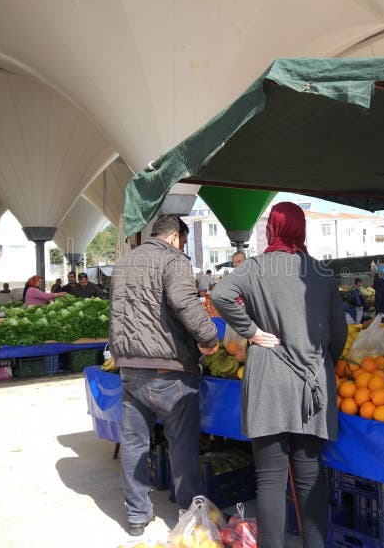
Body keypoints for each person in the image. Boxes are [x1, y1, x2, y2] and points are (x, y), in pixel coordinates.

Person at [212, 202, 347, 548]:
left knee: (269, 480)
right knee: (310, 477)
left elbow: (220, 294)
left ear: (271, 229)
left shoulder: (254, 268)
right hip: (311, 385)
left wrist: (252, 332)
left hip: (266, 384)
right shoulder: (321, 273)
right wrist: (321, 363)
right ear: (301, 229)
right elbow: (339, 333)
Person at [109, 214, 219, 536]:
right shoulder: (173, 260)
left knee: (133, 442)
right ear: (175, 238)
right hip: (168, 368)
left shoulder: (124, 262)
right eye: (183, 241)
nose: (183, 246)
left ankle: (137, 516)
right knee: (182, 444)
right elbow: (184, 302)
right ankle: (188, 513)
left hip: (129, 365)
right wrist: (209, 338)